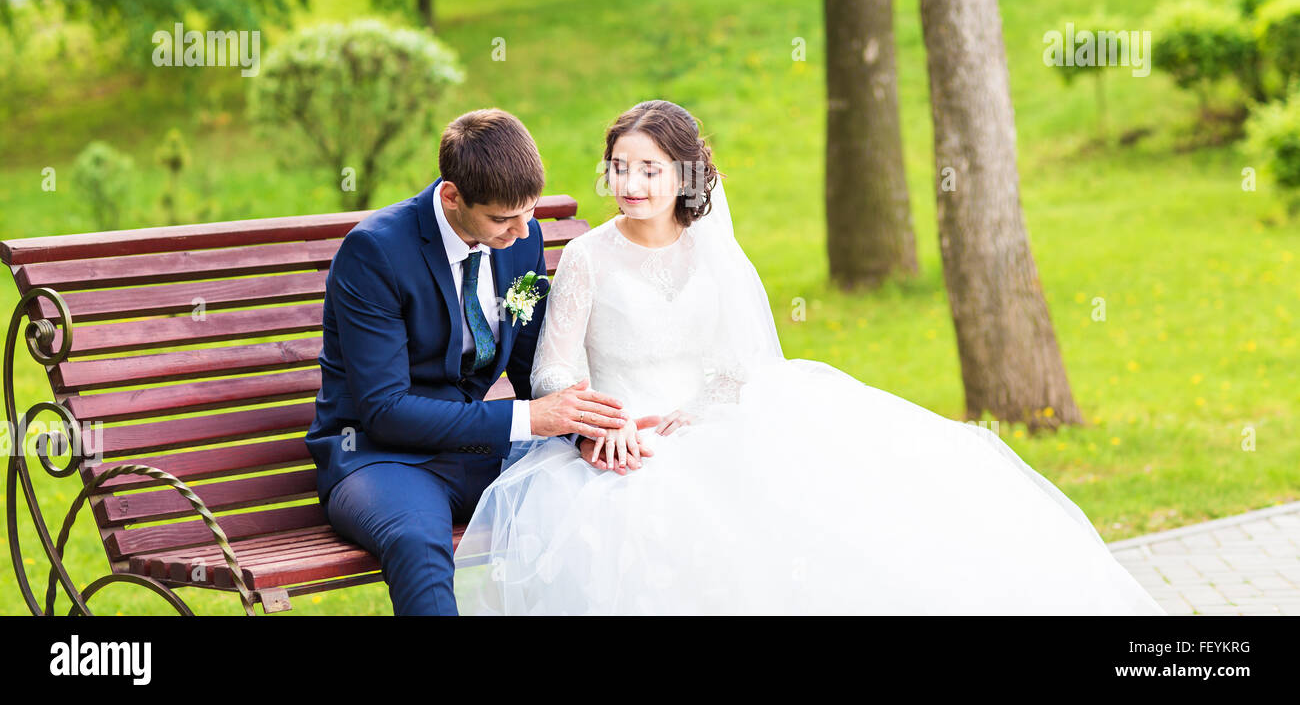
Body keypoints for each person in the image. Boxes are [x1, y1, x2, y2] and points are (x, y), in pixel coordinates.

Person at [451, 99, 1168, 615]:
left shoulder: (714, 255)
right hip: (614, 440)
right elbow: (551, 369)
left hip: (701, 425)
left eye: (650, 170)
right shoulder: (584, 257)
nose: (632, 185)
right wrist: (596, 424)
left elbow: (737, 366)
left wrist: (694, 417)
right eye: (620, 169)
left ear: (687, 178)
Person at [305, 108, 631, 615]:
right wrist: (529, 420)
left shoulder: (521, 239)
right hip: (380, 457)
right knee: (417, 541)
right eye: (503, 218)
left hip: (475, 447)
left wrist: (584, 429)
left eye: (530, 212)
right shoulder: (375, 253)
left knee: (606, 489)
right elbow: (385, 410)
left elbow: (528, 369)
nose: (522, 232)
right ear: (452, 196)